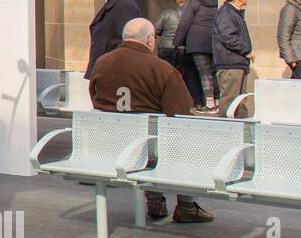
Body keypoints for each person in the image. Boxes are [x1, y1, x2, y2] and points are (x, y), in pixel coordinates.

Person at [88, 17, 212, 223]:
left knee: (147, 136)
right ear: (150, 40)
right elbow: (181, 113)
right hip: (151, 148)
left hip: (110, 144)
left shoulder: (101, 63)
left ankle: (154, 200)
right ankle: (187, 205)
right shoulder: (162, 69)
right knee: (182, 138)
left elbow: (95, 98)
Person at [174, 0, 220, 113]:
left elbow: (185, 22)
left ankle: (209, 103)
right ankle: (217, 102)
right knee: (214, 70)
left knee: (204, 72)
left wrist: (177, 41)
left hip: (197, 41)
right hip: (215, 40)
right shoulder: (219, 0)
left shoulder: (194, 0)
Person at [86, 0, 140, 77]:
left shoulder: (124, 6)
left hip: (114, 75)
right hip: (106, 72)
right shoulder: (115, 4)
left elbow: (128, 45)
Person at [213, 0, 254, 118]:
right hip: (230, 64)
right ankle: (227, 133)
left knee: (240, 101)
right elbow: (227, 37)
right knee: (230, 100)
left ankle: (243, 131)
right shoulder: (226, 13)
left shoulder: (233, 13)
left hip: (236, 63)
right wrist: (246, 50)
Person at [155, 0, 186, 66]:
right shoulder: (191, 14)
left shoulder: (167, 12)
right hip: (182, 48)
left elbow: (157, 30)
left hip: (165, 47)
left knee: (163, 72)